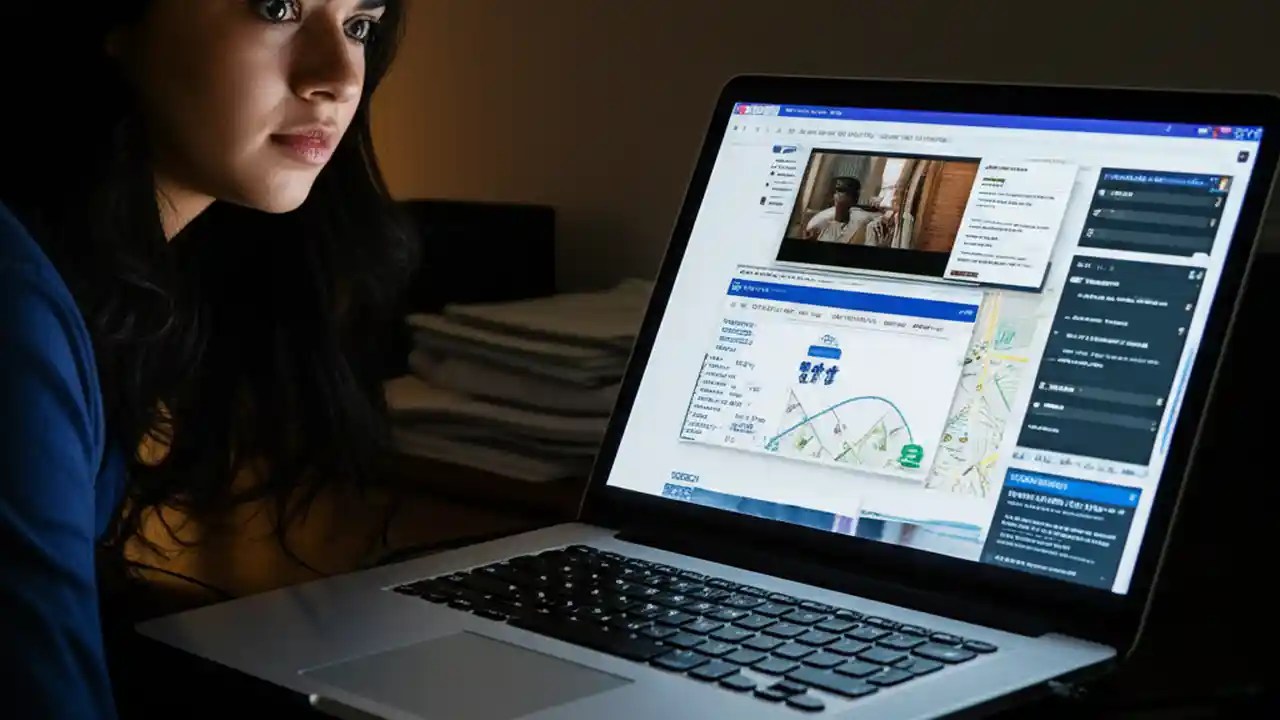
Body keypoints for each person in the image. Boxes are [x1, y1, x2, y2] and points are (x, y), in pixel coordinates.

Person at [0, 2, 412, 717]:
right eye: (277, 6)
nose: (340, 77)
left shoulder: (114, 285)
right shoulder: (16, 309)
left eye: (359, 25)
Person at [803, 176, 881, 244]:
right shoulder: (823, 220)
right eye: (836, 192)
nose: (835, 196)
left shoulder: (861, 217)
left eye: (840, 191)